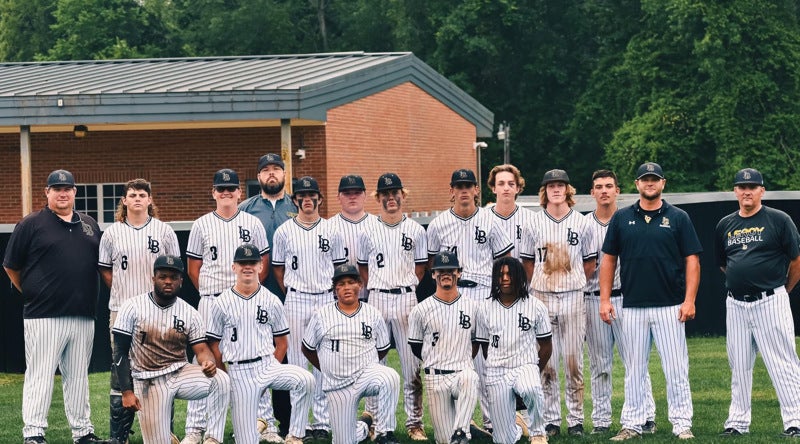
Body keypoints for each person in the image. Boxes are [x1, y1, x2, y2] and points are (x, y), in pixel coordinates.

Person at [3, 169, 109, 444]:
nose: (62, 193)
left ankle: (83, 432)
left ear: (74, 192)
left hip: (83, 314)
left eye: (67, 188)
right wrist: (32, 292)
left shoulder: (89, 224)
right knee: (40, 376)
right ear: (47, 192)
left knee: (78, 379)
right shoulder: (31, 224)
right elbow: (11, 266)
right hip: (44, 314)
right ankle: (34, 433)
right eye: (56, 188)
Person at [600, 162, 701, 441]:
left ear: (663, 183)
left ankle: (682, 423)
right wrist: (605, 299)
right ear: (637, 184)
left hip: (670, 305)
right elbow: (608, 259)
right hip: (631, 305)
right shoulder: (621, 218)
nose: (649, 183)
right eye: (645, 179)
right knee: (634, 370)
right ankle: (632, 423)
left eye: (654, 179)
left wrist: (689, 300)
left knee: (676, 368)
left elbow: (692, 259)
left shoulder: (678, 217)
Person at [184, 168, 269, 444]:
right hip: (211, 299)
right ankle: (196, 428)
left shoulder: (252, 224)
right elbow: (193, 268)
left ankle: (262, 423)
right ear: (213, 193)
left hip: (244, 299)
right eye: (221, 188)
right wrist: (213, 297)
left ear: (239, 192)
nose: (226, 192)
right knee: (205, 361)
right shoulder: (201, 224)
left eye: (231, 188)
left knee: (251, 359)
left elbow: (262, 265)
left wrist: (247, 292)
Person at [714, 168, 800, 438]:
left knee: (783, 362)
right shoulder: (725, 224)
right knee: (739, 364)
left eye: (752, 186)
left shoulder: (778, 219)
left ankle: (795, 420)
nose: (747, 191)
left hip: (770, 300)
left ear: (762, 190)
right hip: (736, 305)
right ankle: (737, 422)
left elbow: (796, 262)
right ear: (735, 191)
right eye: (741, 186)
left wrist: (783, 289)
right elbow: (723, 264)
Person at [426, 168, 513, 432]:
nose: (464, 191)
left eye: (468, 186)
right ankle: (458, 421)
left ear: (477, 190)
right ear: (451, 190)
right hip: (453, 295)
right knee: (452, 357)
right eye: (459, 186)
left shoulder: (491, 220)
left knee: (487, 362)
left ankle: (492, 421)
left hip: (484, 293)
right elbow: (432, 264)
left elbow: (504, 263)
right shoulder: (439, 223)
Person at [111, 255, 230, 444]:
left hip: (180, 373)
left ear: (181, 281)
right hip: (148, 380)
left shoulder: (190, 312)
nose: (168, 281)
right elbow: (119, 352)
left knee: (220, 379)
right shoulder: (132, 307)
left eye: (173, 277)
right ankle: (165, 437)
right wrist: (126, 391)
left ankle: (213, 439)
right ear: (153, 279)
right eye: (163, 276)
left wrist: (208, 362)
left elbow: (201, 349)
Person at [98, 178, 181, 443]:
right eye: (132, 194)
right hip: (121, 310)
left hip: (157, 311)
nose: (136, 198)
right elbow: (106, 271)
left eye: (142, 194)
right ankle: (118, 434)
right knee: (120, 369)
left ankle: (163, 431)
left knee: (161, 370)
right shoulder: (112, 233)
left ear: (149, 200)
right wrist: (126, 298)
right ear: (124, 201)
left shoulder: (163, 230)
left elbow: (174, 272)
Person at [206, 244, 314, 444]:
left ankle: (295, 436)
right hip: (239, 370)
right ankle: (255, 426)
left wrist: (270, 370)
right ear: (234, 267)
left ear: (260, 266)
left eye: (252, 262)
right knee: (246, 440)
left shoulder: (271, 300)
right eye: (242, 263)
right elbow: (213, 344)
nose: (247, 267)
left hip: (267, 364)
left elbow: (282, 343)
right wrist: (224, 373)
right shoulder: (221, 302)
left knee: (305, 380)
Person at [518, 169, 596, 437]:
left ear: (568, 189)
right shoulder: (532, 223)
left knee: (574, 362)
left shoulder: (582, 222)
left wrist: (573, 281)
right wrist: (534, 287)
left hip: (573, 296)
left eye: (561, 184)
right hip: (541, 295)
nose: (556, 189)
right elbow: (527, 261)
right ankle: (551, 420)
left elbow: (590, 262)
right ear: (544, 191)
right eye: (551, 185)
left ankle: (575, 421)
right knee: (546, 363)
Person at [272, 176, 346, 440]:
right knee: (297, 364)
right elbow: (278, 270)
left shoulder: (332, 230)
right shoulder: (284, 231)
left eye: (311, 195)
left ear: (319, 199)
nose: (307, 199)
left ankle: (323, 423)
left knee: (324, 361)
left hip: (326, 297)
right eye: (302, 196)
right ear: (295, 200)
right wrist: (293, 291)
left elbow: (340, 268)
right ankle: (299, 424)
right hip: (296, 298)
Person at [583, 170, 655, 435]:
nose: (604, 190)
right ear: (592, 193)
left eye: (609, 186)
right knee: (600, 363)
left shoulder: (631, 220)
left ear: (618, 191)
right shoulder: (584, 225)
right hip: (592, 299)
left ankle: (646, 414)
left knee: (634, 360)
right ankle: (601, 420)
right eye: (599, 186)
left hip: (626, 298)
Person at [357, 173, 427, 441]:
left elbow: (420, 267)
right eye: (385, 194)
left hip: (407, 298)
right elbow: (363, 267)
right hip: (376, 298)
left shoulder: (416, 230)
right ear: (378, 198)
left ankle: (414, 423)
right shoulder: (367, 229)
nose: (390, 198)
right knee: (375, 364)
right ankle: (374, 420)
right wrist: (376, 285)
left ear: (403, 195)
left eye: (395, 192)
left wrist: (405, 285)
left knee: (411, 365)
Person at [301, 264, 400, 444]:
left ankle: (384, 433)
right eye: (341, 284)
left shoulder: (373, 313)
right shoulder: (321, 315)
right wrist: (326, 368)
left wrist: (368, 364)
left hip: (366, 376)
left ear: (359, 285)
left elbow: (383, 347)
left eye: (350, 282)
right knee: (344, 441)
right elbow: (307, 348)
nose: (346, 287)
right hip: (338, 385)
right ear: (335, 289)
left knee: (390, 376)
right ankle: (364, 426)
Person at [238, 153, 297, 440]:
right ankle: (259, 422)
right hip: (256, 295)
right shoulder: (246, 209)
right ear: (258, 176)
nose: (271, 174)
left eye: (276, 169)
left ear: (284, 174)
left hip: (292, 295)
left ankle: (288, 423)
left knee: (286, 360)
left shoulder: (298, 205)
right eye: (265, 171)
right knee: (257, 357)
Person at [475, 257, 552, 444]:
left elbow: (546, 345)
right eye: (501, 275)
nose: (505, 278)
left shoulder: (536, 306)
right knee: (503, 440)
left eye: (510, 274)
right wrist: (496, 365)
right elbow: (485, 347)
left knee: (531, 388)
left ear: (519, 277)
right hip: (497, 370)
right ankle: (518, 427)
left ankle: (538, 433)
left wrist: (534, 370)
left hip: (524, 365)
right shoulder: (484, 308)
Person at [408, 251, 479, 444]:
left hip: (461, 374)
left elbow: (476, 343)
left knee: (470, 377)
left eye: (450, 270)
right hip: (435, 378)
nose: (445, 274)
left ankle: (462, 431)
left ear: (459, 273)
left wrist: (460, 359)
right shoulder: (420, 310)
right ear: (433, 274)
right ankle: (460, 431)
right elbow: (416, 346)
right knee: (444, 441)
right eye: (440, 271)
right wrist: (436, 357)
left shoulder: (473, 307)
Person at [329, 174, 377, 302]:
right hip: (338, 297)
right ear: (338, 197)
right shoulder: (327, 227)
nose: (352, 197)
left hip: (373, 295)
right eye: (347, 193)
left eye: (357, 192)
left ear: (365, 196)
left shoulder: (378, 225)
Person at [487, 164, 535, 261]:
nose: (506, 188)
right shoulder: (482, 218)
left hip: (523, 275)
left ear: (517, 188)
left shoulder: (532, 219)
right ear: (493, 188)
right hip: (490, 275)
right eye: (501, 183)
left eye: (511, 184)